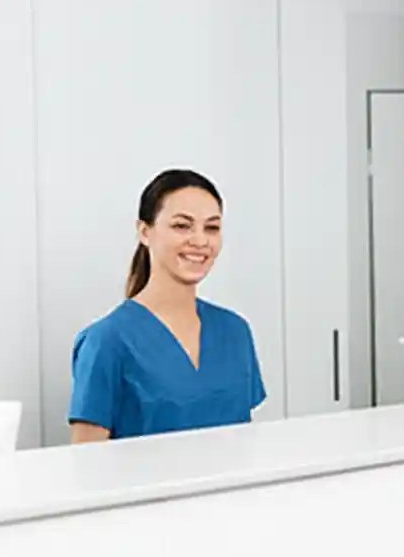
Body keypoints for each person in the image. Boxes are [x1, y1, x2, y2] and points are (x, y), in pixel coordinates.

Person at [68, 169, 266, 442]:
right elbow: (86, 466)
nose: (199, 240)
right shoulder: (106, 342)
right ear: (145, 232)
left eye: (212, 227)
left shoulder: (235, 332)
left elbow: (245, 442)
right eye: (182, 226)